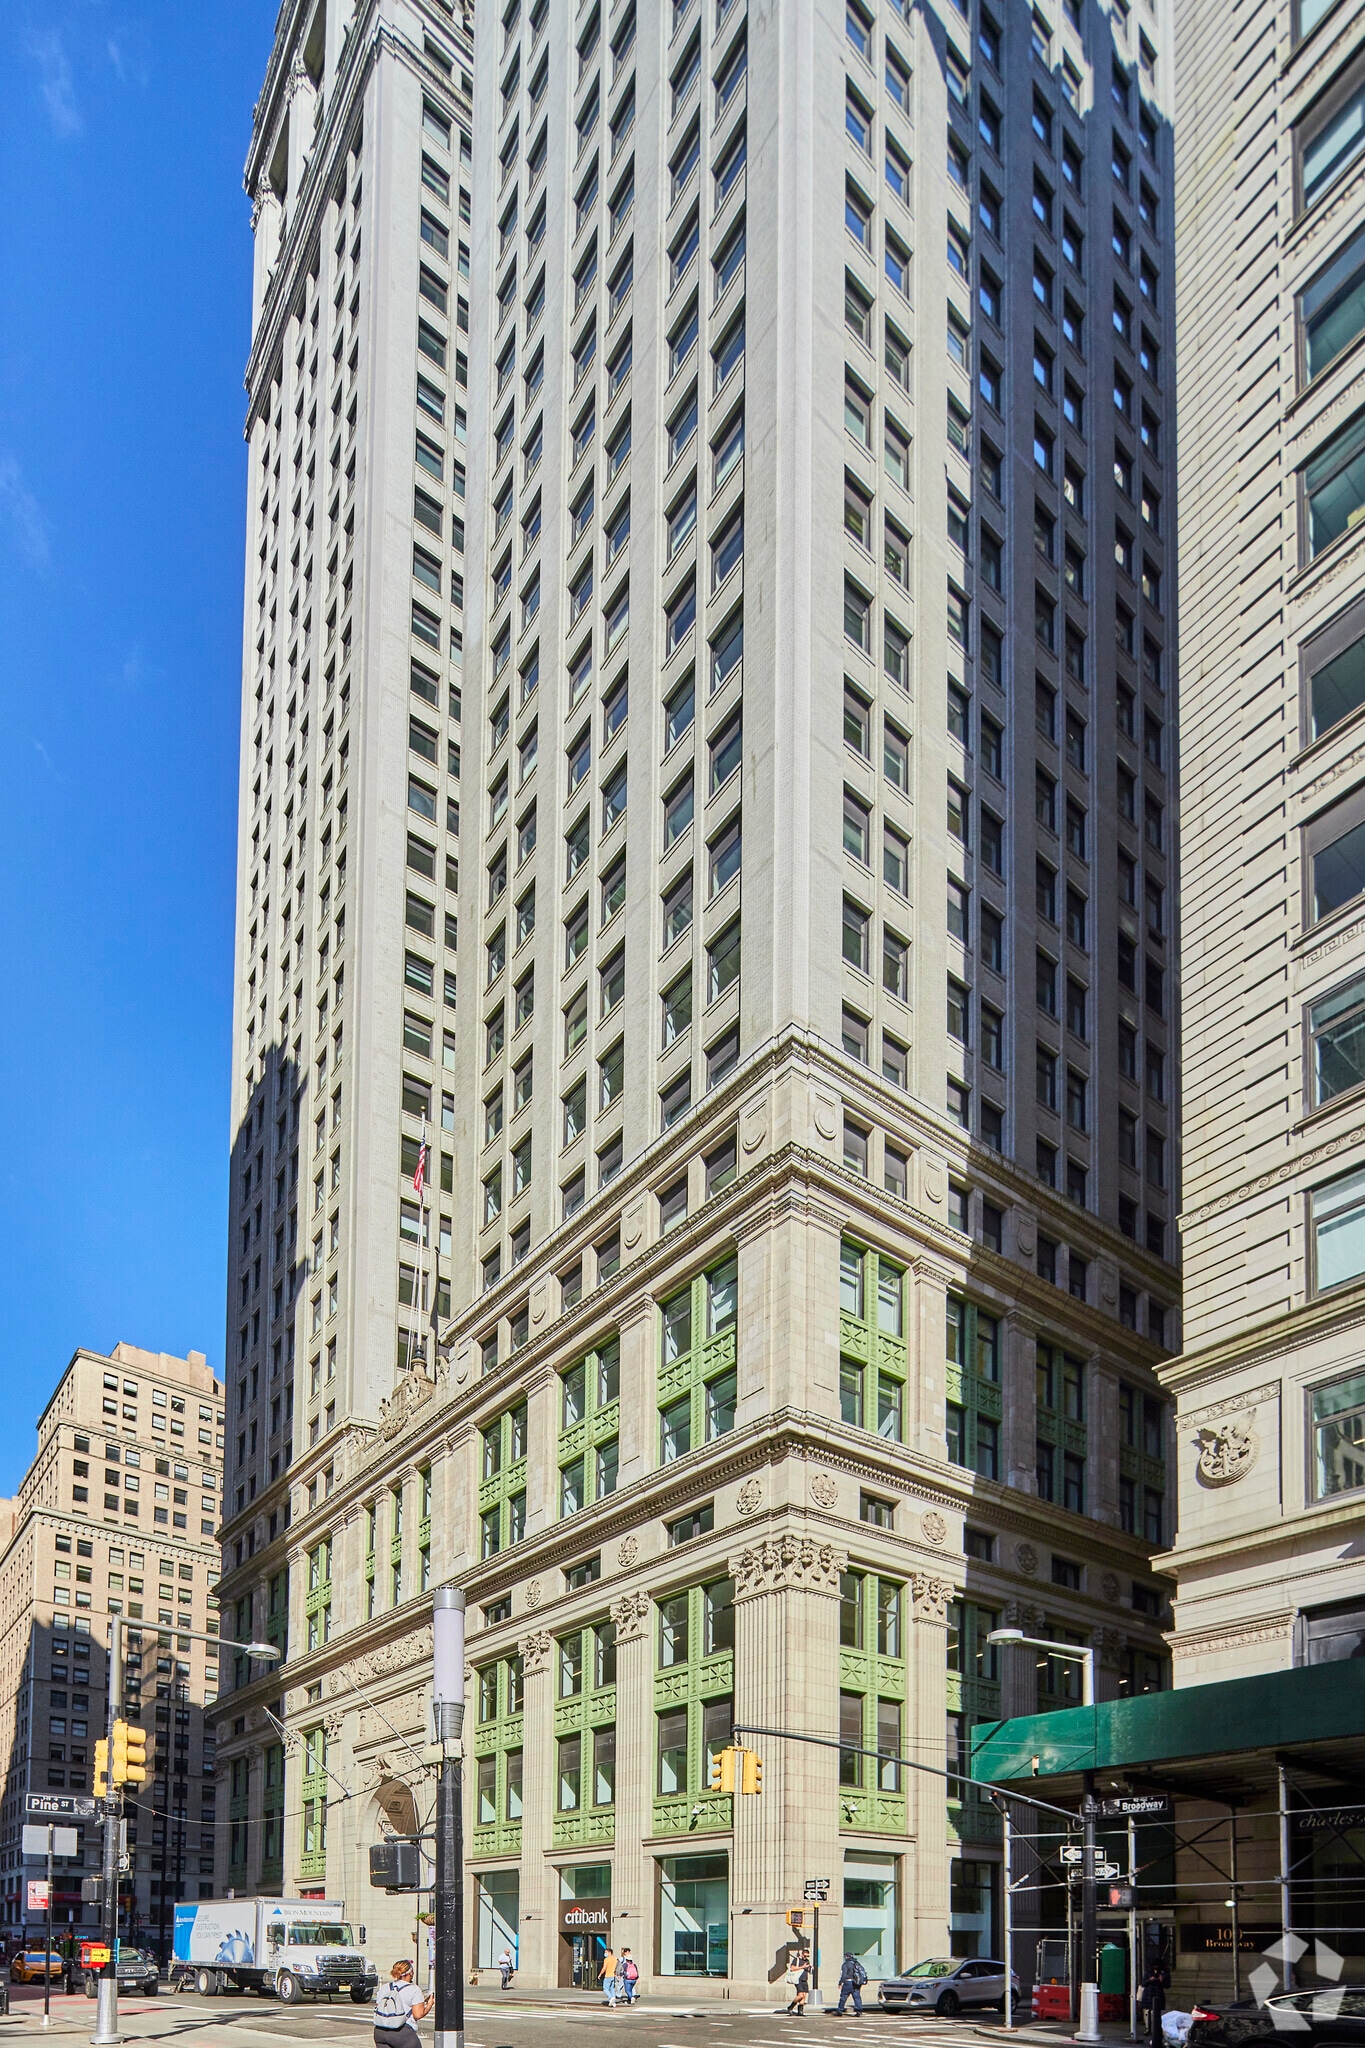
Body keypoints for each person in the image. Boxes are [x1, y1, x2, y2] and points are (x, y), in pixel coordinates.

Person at [373, 1958, 432, 2048]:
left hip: (380, 2032)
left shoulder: (385, 1987)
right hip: (402, 2033)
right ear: (410, 1973)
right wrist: (429, 2005)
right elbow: (418, 2014)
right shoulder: (414, 1989)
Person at [1139, 1961, 1170, 2048]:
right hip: (1148, 1994)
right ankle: (1148, 2028)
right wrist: (1150, 1980)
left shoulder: (1165, 1973)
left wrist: (1161, 1980)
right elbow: (1143, 1983)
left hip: (1158, 1994)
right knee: (1147, 2012)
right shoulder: (1148, 1972)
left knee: (1155, 2013)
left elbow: (1167, 1985)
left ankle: (1155, 2029)